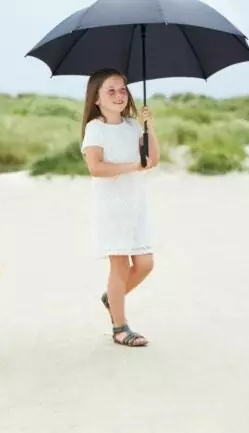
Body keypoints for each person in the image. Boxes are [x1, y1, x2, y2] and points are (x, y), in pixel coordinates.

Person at [80, 68, 160, 347]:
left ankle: (112, 298)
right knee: (120, 265)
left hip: (136, 205)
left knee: (145, 263)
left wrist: (149, 127)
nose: (118, 95)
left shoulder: (132, 126)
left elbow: (152, 160)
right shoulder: (95, 128)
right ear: (97, 98)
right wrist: (131, 167)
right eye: (110, 91)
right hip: (111, 206)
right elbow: (95, 167)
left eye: (122, 90)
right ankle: (120, 327)